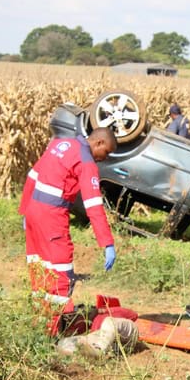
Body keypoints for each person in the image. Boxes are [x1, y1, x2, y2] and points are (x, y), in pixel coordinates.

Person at [19, 128, 118, 321]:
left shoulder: (60, 144)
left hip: (34, 210)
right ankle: (54, 328)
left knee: (38, 266)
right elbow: (93, 204)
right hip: (52, 216)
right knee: (61, 270)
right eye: (106, 152)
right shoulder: (86, 161)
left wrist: (25, 210)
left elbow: (33, 175)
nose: (104, 158)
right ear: (98, 143)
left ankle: (39, 320)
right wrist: (107, 243)